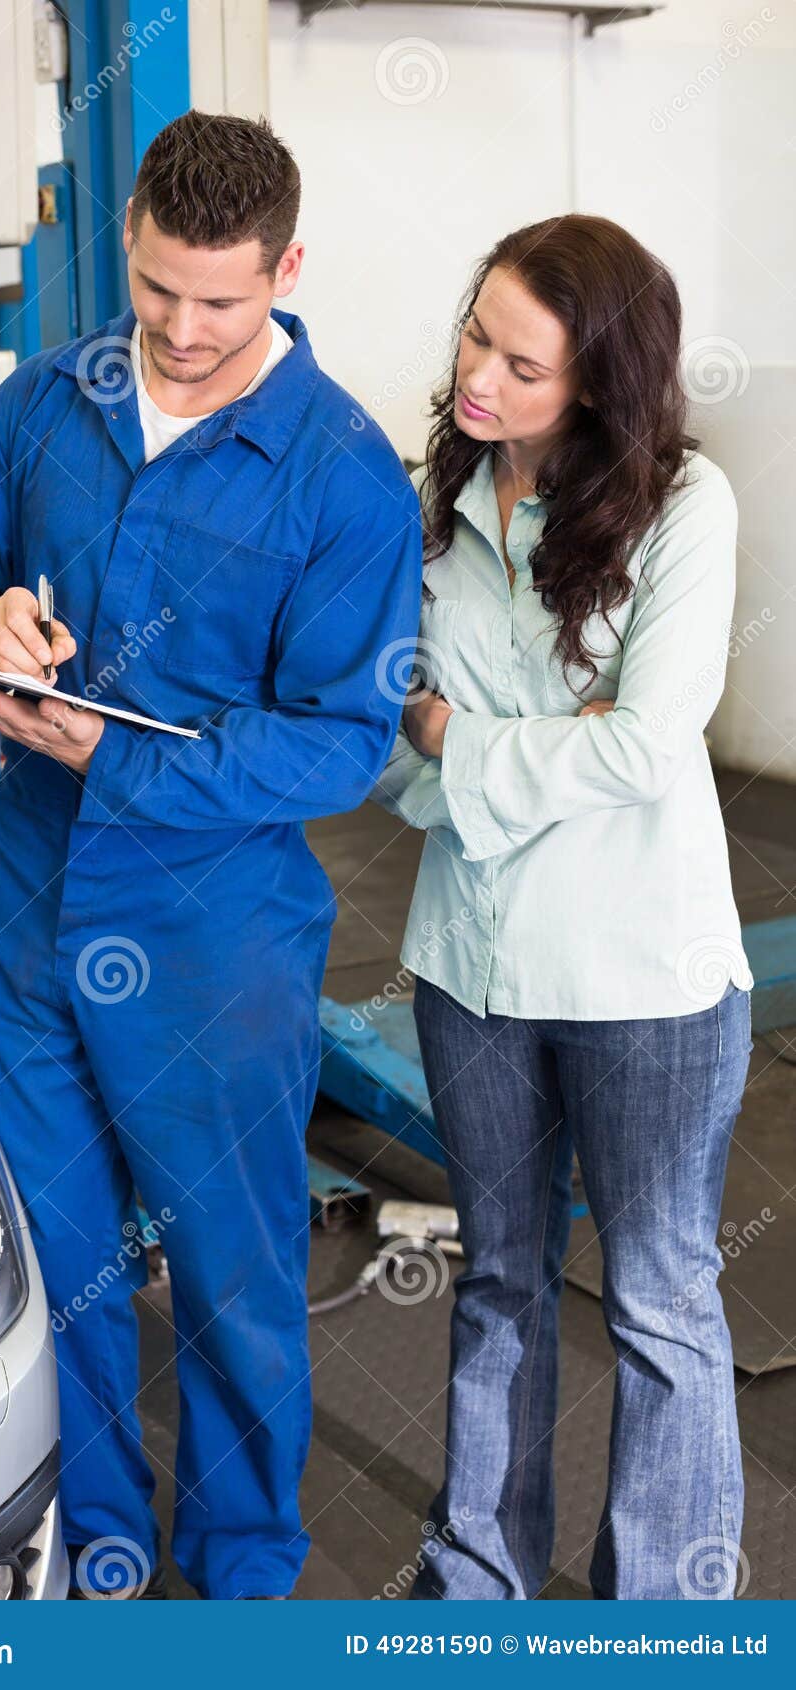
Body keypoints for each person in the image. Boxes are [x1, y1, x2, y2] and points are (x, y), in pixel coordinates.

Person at [0, 110, 422, 1600]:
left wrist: (117, 752)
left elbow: (339, 741)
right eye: (156, 293)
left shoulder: (341, 476)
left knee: (230, 1273)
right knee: (49, 1259)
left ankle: (248, 1570)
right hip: (25, 889)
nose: (182, 333)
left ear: (288, 269)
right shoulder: (49, 401)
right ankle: (107, 1565)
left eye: (221, 301)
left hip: (218, 927)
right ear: (129, 245)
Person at [371, 214, 755, 1601]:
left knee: (658, 1300)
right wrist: (481, 739)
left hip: (641, 975)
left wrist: (457, 740)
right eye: (477, 330)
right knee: (500, 1277)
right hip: (469, 965)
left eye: (520, 364)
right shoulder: (441, 495)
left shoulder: (684, 507)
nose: (479, 375)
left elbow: (650, 746)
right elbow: (393, 739)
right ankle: (479, 1575)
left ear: (591, 383)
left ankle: (661, 1605)